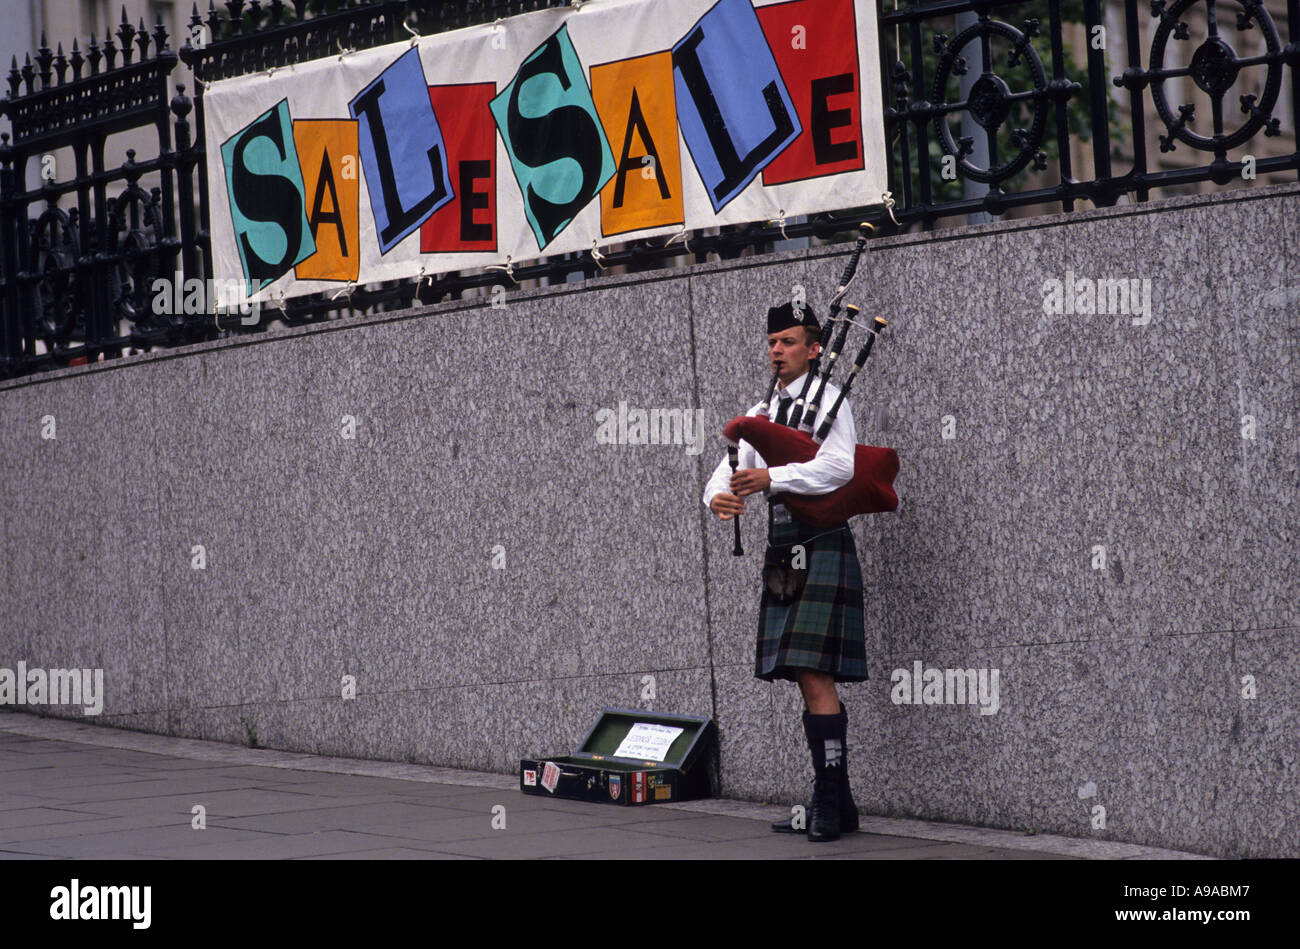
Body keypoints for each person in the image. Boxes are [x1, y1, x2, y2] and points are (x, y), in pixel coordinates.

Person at [702, 299, 867, 842]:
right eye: (773, 342)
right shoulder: (763, 411)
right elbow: (724, 472)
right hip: (784, 552)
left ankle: (826, 798)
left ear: (815, 350)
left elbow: (839, 466)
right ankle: (837, 800)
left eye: (790, 341)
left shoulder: (830, 402)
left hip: (821, 541)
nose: (777, 350)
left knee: (814, 671)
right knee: (801, 673)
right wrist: (721, 500)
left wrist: (774, 479)